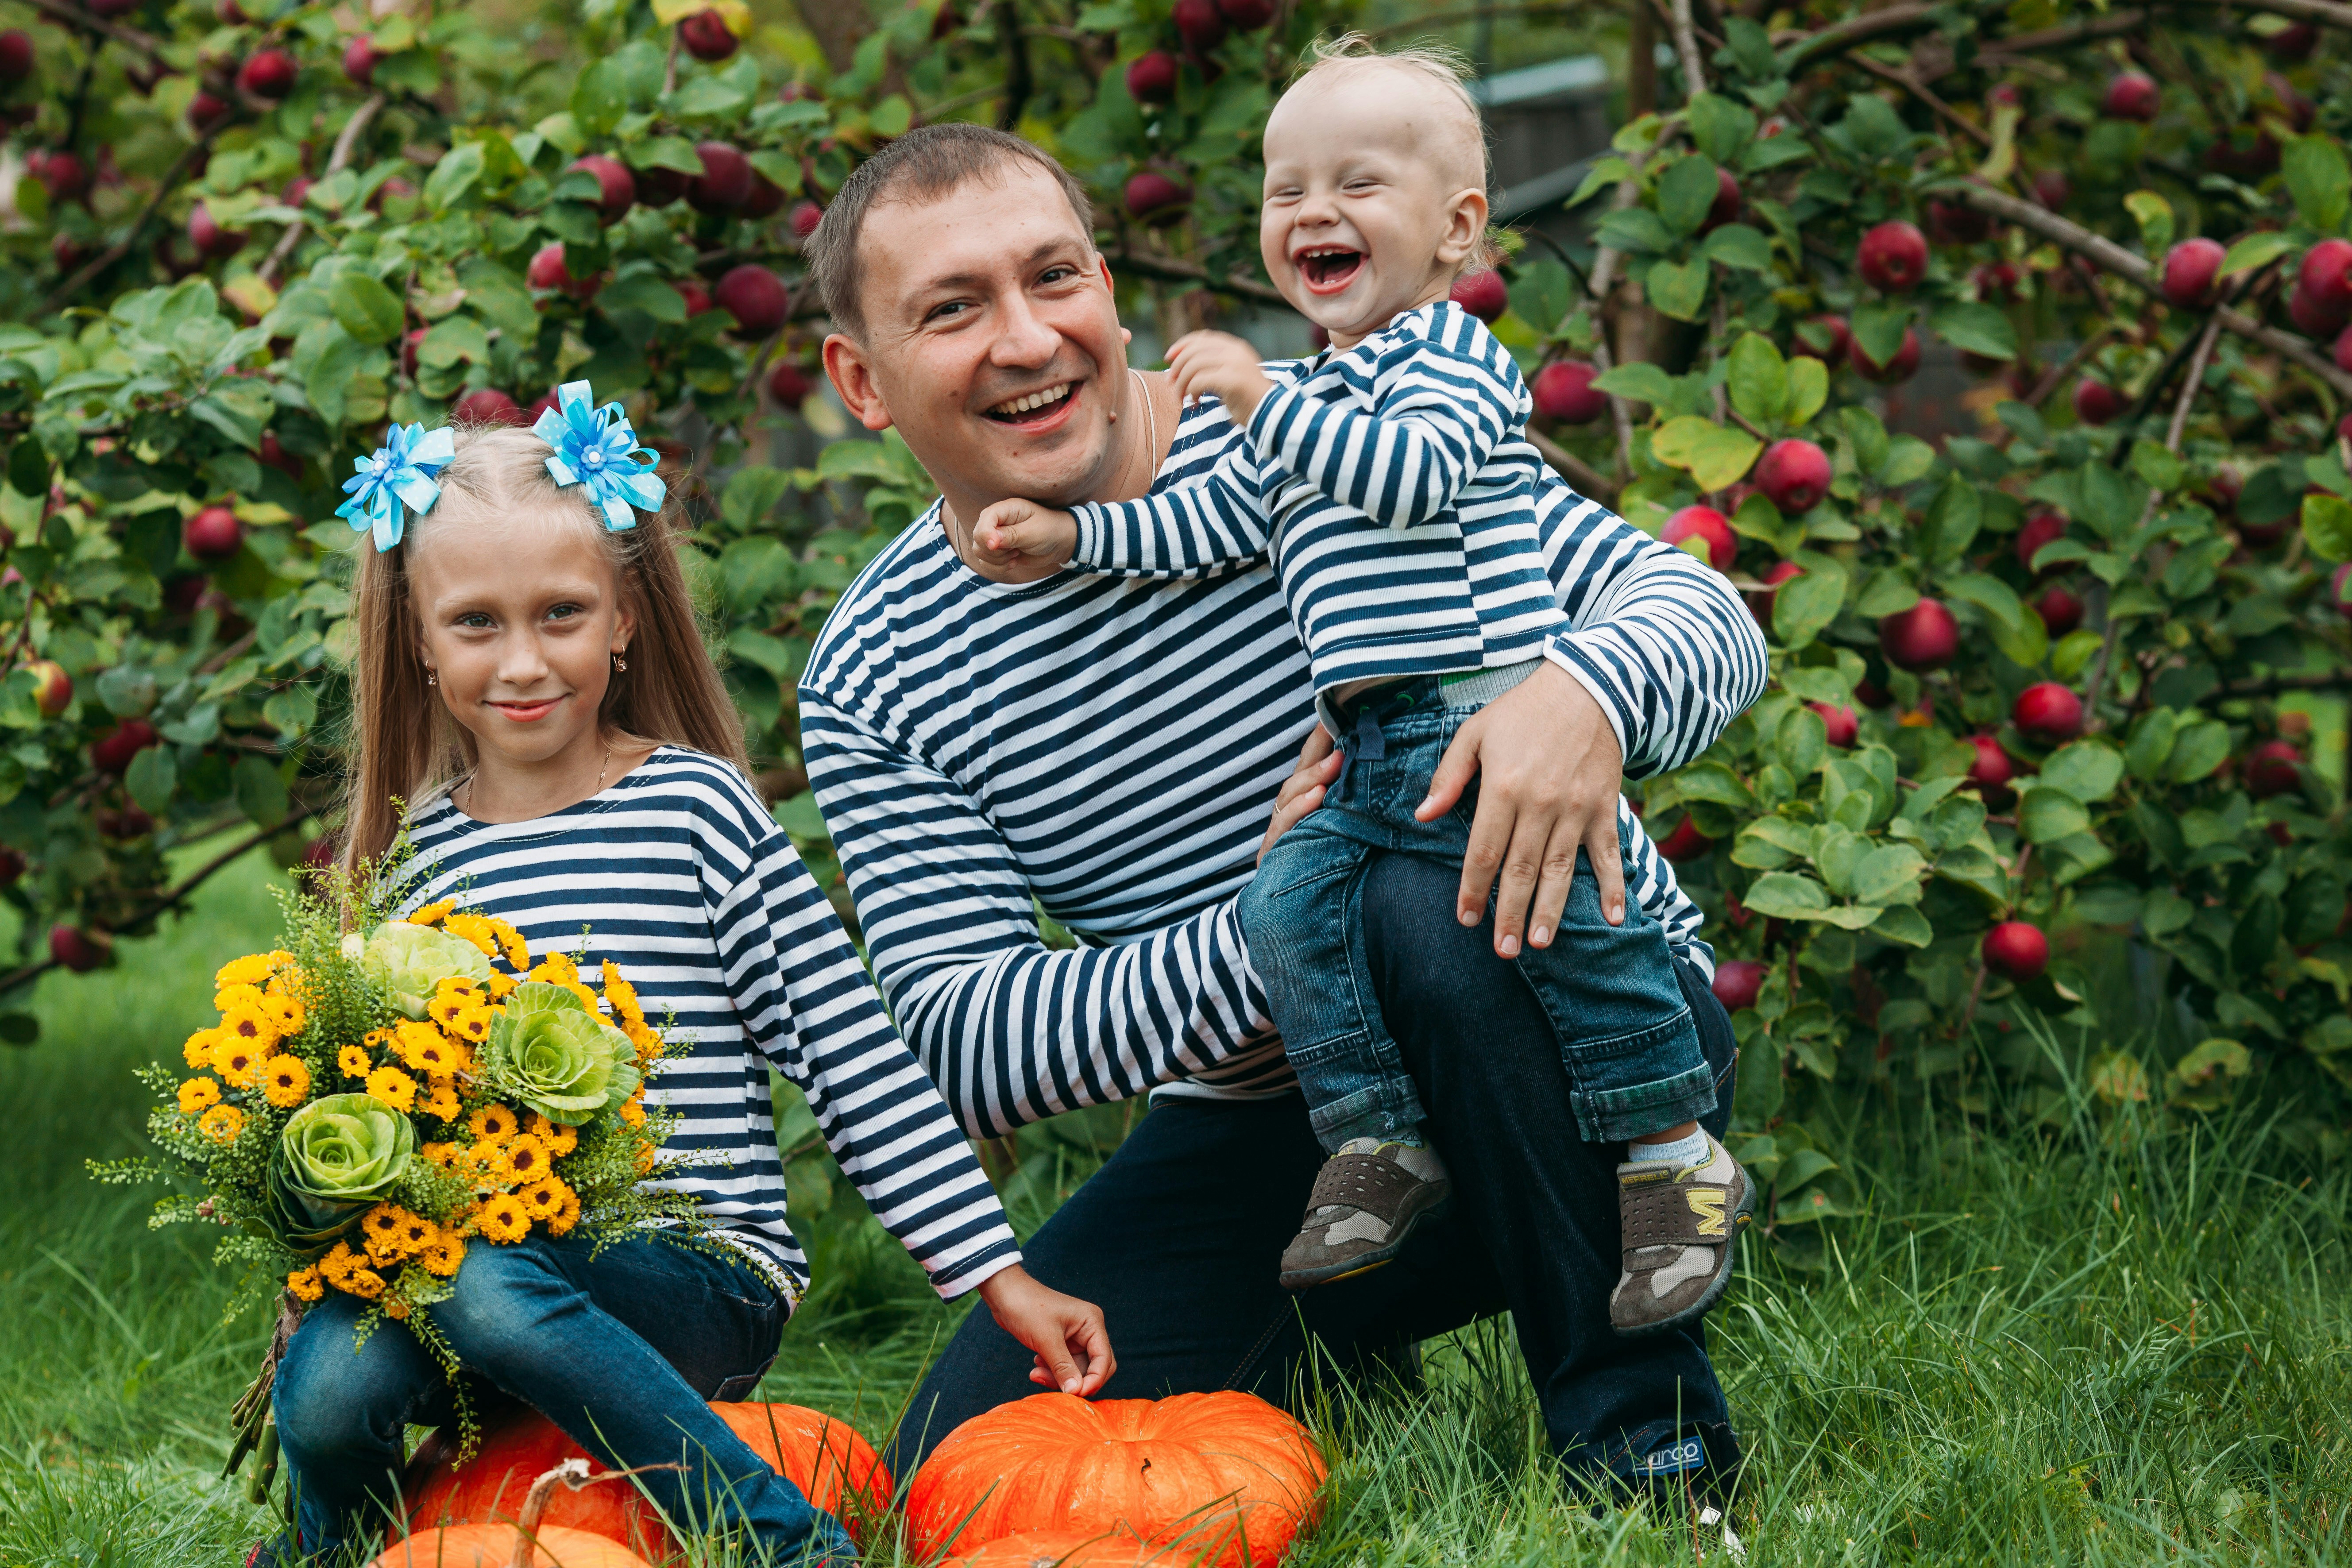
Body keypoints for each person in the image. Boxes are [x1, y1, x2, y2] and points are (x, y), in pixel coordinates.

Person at [799, 118, 1768, 1511]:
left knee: (1415, 903)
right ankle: (1347, 1336)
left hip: (1569, 1028)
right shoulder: (878, 670)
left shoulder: (1318, 435)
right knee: (967, 1460)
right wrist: (1263, 933)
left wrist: (1585, 704)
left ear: (1108, 290)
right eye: (952, 310)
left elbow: (1699, 613)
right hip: (1285, 1124)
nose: (1027, 341)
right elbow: (969, 1032)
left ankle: (1648, 1461)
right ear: (860, 380)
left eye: (1053, 277)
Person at [967, 38, 1752, 1323]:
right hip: (1372, 751)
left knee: (1556, 932)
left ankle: (1673, 1149)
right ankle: (1382, 1139)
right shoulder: (1305, 405)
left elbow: (1412, 477)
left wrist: (1585, 694)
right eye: (1284, 191)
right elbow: (1206, 530)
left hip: (1481, 716)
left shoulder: (1450, 361)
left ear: (1456, 231)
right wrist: (1076, 541)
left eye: (1357, 185)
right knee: (1286, 907)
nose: (1312, 212)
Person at [261, 388, 1113, 1568]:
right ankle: (343, 1553)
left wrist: (995, 1271)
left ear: (623, 618)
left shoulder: (691, 812)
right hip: (478, 1278)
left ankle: (783, 1541)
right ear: (415, 637)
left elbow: (849, 1057)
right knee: (326, 1388)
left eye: (561, 613)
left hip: (695, 1276)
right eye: (474, 624)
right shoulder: (420, 866)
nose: (523, 662)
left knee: (488, 1284)